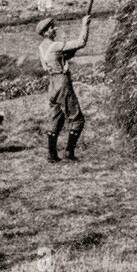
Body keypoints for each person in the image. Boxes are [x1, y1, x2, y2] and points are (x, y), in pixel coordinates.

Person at [36, 15, 90, 162]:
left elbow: (55, 60)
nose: (55, 29)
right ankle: (69, 153)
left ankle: (52, 155)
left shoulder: (42, 48)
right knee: (78, 119)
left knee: (56, 120)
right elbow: (81, 42)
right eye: (52, 28)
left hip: (52, 85)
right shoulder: (55, 46)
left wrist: (67, 55)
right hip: (62, 82)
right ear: (46, 32)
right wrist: (85, 24)